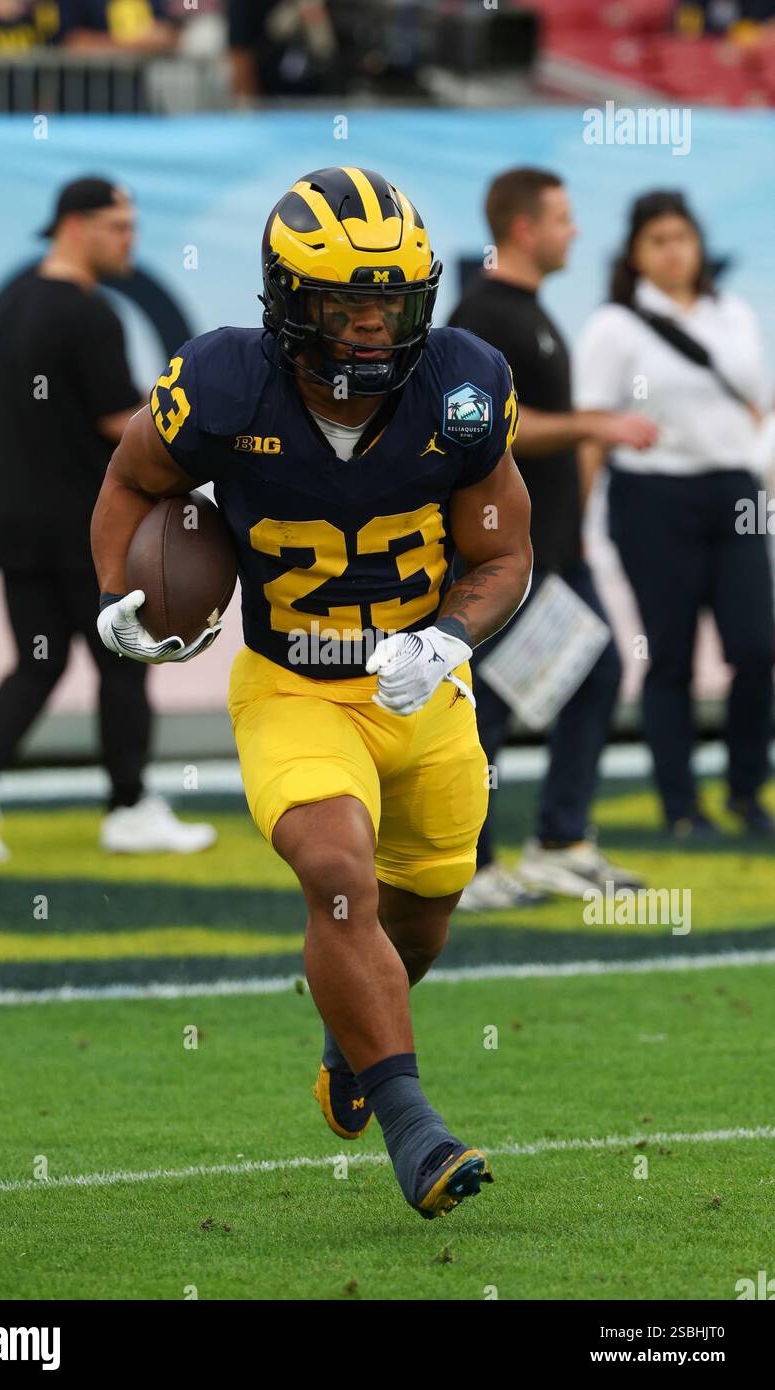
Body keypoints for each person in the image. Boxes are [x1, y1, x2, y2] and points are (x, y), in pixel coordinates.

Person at [91, 166, 533, 1220]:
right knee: (337, 873)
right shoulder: (222, 385)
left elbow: (504, 551)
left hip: (420, 693)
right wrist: (117, 595)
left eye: (392, 301)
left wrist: (448, 637)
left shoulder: (464, 385)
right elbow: (131, 482)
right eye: (346, 303)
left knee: (418, 923)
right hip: (292, 684)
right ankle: (413, 1127)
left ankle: (353, 1040)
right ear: (288, 300)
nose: (374, 328)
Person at [0, 176, 214, 861]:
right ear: (74, 226)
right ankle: (128, 808)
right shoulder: (89, 313)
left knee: (38, 662)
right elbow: (122, 421)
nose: (131, 240)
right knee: (123, 663)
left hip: (14, 521)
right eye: (119, 226)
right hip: (82, 525)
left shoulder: (11, 305)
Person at [448, 168, 657, 909]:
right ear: (525, 229)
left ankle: (560, 842)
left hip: (557, 546)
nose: (575, 231)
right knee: (485, 702)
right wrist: (595, 424)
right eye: (563, 218)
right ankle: (464, 863)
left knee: (596, 675)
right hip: (507, 549)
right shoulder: (485, 313)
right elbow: (490, 424)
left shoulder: (527, 309)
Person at [575, 190, 774, 838]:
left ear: (698, 243)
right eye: (657, 239)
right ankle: (681, 806)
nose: (672, 249)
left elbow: (759, 405)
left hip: (736, 491)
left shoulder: (733, 313)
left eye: (681, 236)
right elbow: (590, 429)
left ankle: (747, 791)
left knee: (757, 644)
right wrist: (574, 526)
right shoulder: (615, 325)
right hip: (653, 499)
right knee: (670, 656)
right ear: (635, 253)